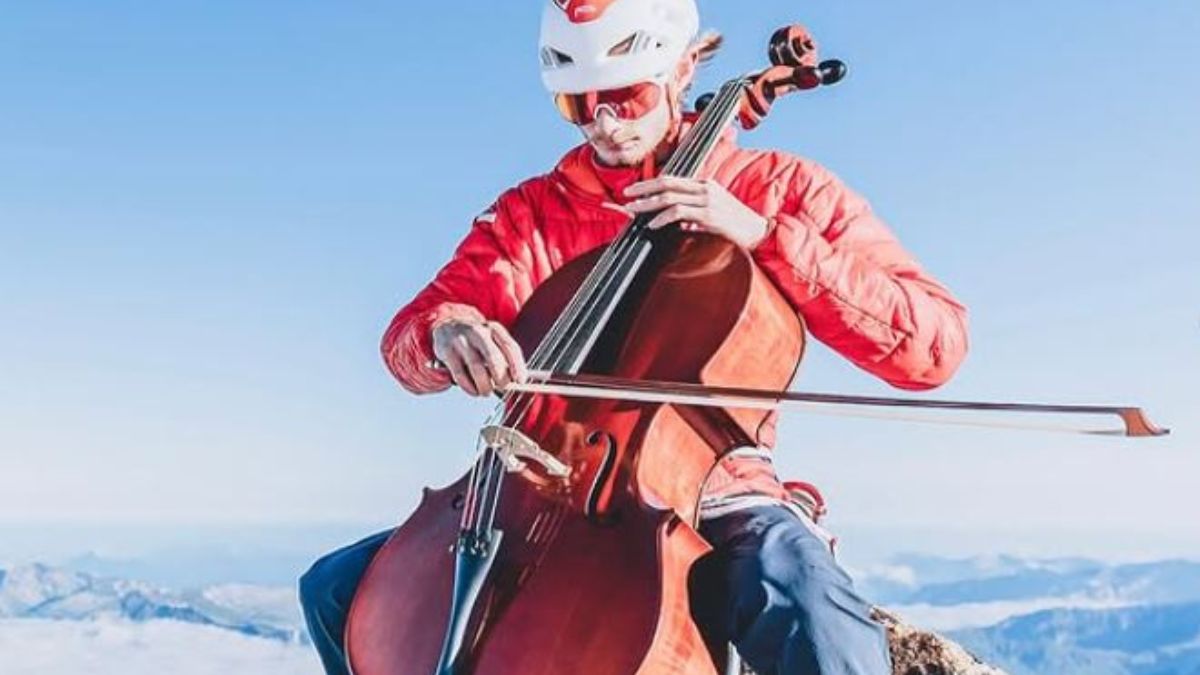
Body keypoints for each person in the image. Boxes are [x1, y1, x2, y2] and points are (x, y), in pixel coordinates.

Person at [299, 1, 968, 673]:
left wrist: (765, 236)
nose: (604, 122)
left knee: (804, 603)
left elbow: (934, 345)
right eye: (577, 104)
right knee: (334, 588)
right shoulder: (532, 214)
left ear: (683, 69)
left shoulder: (780, 189)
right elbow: (409, 337)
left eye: (626, 96)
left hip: (715, 493)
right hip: (528, 490)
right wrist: (445, 331)